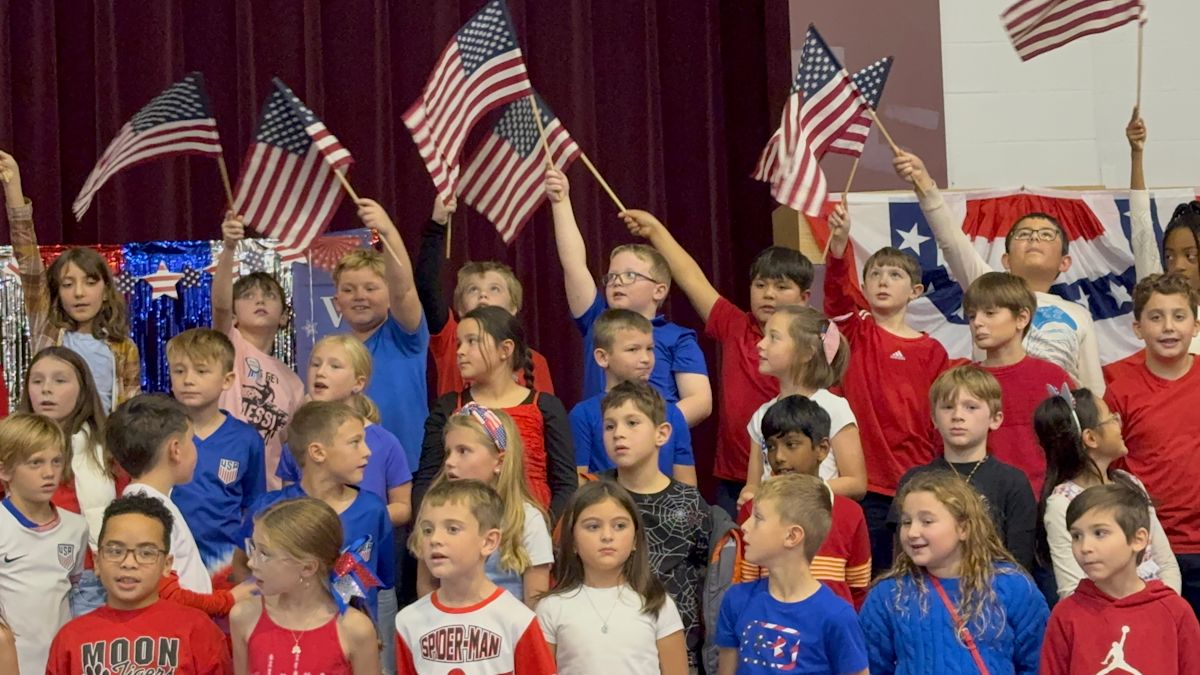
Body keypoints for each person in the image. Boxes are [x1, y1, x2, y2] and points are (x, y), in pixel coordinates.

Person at [622, 209, 812, 516]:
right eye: (760, 285)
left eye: (781, 287)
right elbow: (691, 276)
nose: (768, 295)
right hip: (734, 479)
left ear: (804, 297)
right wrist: (655, 231)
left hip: (792, 477)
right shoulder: (735, 325)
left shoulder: (814, 340)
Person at [892, 149, 1104, 393]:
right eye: (1023, 235)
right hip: (995, 408)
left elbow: (1093, 390)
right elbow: (951, 241)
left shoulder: (1078, 314)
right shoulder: (988, 288)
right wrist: (925, 185)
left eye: (1046, 235)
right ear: (1005, 260)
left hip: (1058, 421)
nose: (1034, 238)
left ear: (1064, 262)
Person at [824, 204, 950, 573]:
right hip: (865, 482)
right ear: (863, 287)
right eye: (874, 274)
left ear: (915, 290)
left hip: (917, 479)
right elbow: (836, 295)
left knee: (917, 574)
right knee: (872, 576)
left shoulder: (933, 351)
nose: (882, 280)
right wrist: (839, 244)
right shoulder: (855, 331)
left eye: (894, 274)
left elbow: (939, 418)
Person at [235, 401, 396, 666]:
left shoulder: (372, 509)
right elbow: (243, 564)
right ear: (318, 452)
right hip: (283, 640)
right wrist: (268, 608)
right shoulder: (268, 508)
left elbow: (385, 585)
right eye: (355, 442)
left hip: (352, 646)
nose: (367, 452)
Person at [546, 169, 712, 425]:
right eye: (612, 277)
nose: (617, 282)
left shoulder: (678, 338)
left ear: (659, 290)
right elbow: (574, 264)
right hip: (599, 445)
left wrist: (649, 428)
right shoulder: (597, 319)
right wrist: (561, 202)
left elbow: (700, 401)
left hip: (654, 446)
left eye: (630, 275)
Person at [860, 471, 1048, 674]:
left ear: (964, 528)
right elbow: (870, 667)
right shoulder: (888, 595)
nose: (913, 532)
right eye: (906, 522)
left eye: (927, 521)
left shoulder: (1014, 586)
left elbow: (1039, 664)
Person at [1, 150, 140, 411]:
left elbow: (128, 410)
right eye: (67, 284)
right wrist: (13, 187)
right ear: (57, 293)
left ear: (107, 291)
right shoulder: (49, 331)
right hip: (51, 443)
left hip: (100, 447)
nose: (79, 293)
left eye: (89, 282)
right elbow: (27, 257)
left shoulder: (123, 348)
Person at [416, 305, 576, 518]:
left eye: (472, 341)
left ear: (505, 349)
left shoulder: (545, 407)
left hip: (532, 527)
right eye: (459, 343)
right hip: (464, 525)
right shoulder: (448, 407)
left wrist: (541, 530)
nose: (460, 351)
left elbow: (566, 484)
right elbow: (427, 480)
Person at [45, 494, 231, 675]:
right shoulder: (71, 637)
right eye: (116, 551)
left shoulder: (197, 629)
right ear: (97, 561)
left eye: (146, 553)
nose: (129, 563)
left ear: (167, 565)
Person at [1104, 272, 1200, 615]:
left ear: (1196, 324)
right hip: (1149, 545)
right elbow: (1109, 468)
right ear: (1137, 329)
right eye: (1156, 318)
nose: (1168, 327)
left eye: (1179, 316)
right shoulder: (1120, 390)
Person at [601, 380, 710, 667]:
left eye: (632, 422)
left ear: (662, 433)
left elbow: (701, 571)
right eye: (610, 426)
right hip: (611, 643)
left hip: (676, 647)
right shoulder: (594, 497)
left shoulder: (689, 502)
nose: (618, 434)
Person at [396, 479, 556, 675]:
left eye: (452, 529)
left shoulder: (518, 620)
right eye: (428, 530)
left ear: (489, 541)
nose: (435, 539)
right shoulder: (408, 621)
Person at [1039, 483, 1200, 674]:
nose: (1085, 547)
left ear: (1138, 540)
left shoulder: (1176, 612)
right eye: (1076, 536)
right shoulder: (1065, 615)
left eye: (1099, 533)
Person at [1035, 385, 1180, 598]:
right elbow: (1071, 590)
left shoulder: (1130, 484)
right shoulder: (1062, 503)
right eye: (1111, 418)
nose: (1118, 422)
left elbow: (1166, 562)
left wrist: (1166, 608)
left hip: (1157, 609)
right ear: (1091, 438)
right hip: (1106, 622)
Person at [717, 473, 868, 675]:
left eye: (758, 518)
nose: (744, 526)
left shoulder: (837, 617)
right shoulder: (736, 600)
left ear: (792, 536)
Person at [892, 365, 1038, 571]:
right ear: (934, 418)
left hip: (994, 591)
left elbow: (1020, 560)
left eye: (971, 407)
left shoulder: (1012, 482)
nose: (957, 416)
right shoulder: (914, 480)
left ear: (995, 419)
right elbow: (901, 556)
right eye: (948, 407)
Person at [536, 480, 687, 675]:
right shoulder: (551, 607)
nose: (607, 536)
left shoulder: (657, 603)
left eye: (619, 526)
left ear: (635, 540)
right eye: (593, 527)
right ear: (572, 540)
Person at [18, 346, 126, 614]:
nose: (46, 389)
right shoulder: (11, 446)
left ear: (83, 390)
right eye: (37, 380)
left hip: (92, 578)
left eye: (60, 380)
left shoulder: (108, 446)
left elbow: (127, 509)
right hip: (27, 575)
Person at [735, 396, 872, 608]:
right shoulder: (752, 511)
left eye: (791, 444)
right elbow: (746, 583)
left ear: (822, 449)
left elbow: (858, 588)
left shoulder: (850, 514)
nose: (779, 456)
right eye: (771, 447)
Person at [414, 195, 555, 395]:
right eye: (473, 289)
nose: (483, 295)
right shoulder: (451, 341)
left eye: (494, 289)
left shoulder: (535, 362)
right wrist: (438, 225)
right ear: (461, 308)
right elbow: (426, 286)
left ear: (513, 307)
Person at [414, 404, 552, 607]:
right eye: (448, 452)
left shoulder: (526, 519)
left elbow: (537, 602)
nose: (449, 462)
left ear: (499, 461)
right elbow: (426, 586)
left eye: (463, 451)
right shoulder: (434, 512)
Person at [275, 334, 413, 527]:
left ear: (359, 383)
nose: (320, 372)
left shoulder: (385, 442)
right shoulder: (297, 441)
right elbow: (287, 504)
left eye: (335, 366)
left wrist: (358, 517)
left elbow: (403, 507)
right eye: (315, 364)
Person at [232, 497, 380, 675]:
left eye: (264, 554)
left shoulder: (355, 629)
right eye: (253, 548)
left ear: (308, 567)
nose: (251, 563)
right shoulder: (244, 616)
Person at [332, 198, 428, 470]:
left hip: (410, 470)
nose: (359, 296)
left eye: (371, 288)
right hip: (351, 472)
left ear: (388, 297)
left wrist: (387, 231)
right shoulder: (333, 352)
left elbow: (405, 290)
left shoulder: (405, 335)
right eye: (349, 290)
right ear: (337, 302)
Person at [167, 329, 267, 587]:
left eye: (201, 371)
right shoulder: (158, 433)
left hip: (224, 565)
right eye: (179, 371)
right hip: (169, 564)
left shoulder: (246, 439)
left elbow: (254, 505)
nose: (188, 380)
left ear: (227, 379)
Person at [212, 211, 305, 487]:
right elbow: (220, 304)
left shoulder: (293, 382)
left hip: (267, 491)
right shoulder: (229, 344)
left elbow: (292, 448)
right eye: (248, 296)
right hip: (222, 483)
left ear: (284, 316)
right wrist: (229, 248)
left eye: (269, 296)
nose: (259, 300)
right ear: (235, 315)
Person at [739, 305, 866, 503]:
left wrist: (797, 489)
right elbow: (754, 482)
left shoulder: (834, 408)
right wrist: (748, 494)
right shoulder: (762, 414)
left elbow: (856, 483)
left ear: (807, 353)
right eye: (764, 336)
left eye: (774, 337)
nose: (760, 344)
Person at [963, 271, 1071, 494]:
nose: (978, 323)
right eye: (972, 316)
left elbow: (1071, 445)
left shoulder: (1053, 377)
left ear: (1022, 318)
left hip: (1042, 502)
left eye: (990, 313)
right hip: (978, 503)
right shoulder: (963, 380)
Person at [0, 413, 88, 675]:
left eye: (56, 461)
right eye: (35, 463)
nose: (49, 473)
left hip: (60, 663)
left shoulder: (76, 527)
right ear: (4, 470)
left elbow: (72, 590)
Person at [570, 309, 695, 484]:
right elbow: (579, 483)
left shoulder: (672, 413)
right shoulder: (583, 414)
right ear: (602, 357)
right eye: (633, 349)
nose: (645, 358)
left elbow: (687, 489)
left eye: (650, 349)